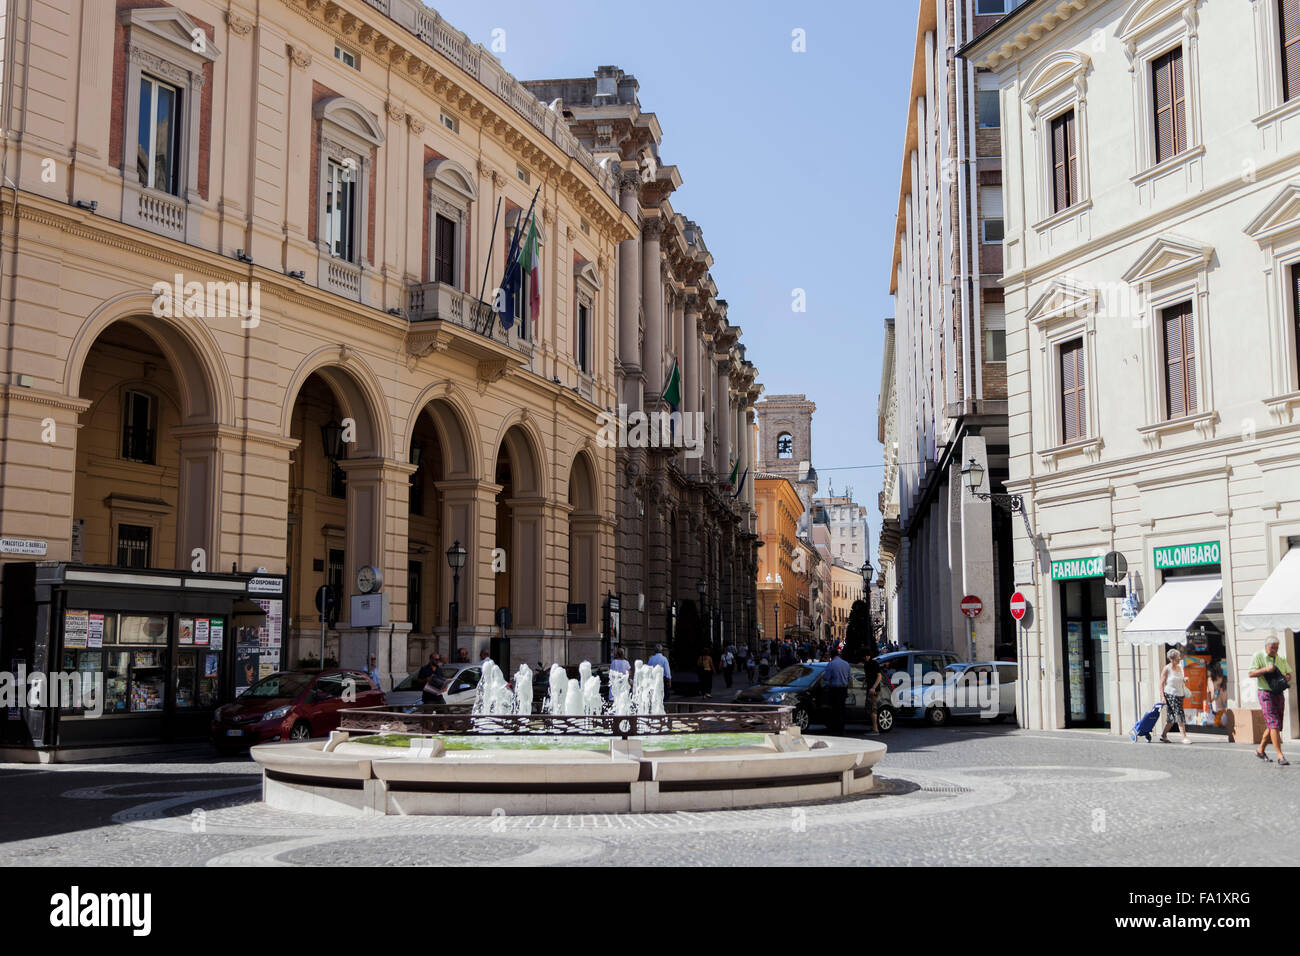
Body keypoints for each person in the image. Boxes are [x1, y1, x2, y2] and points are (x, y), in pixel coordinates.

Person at [1250, 637, 1293, 764]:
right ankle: (1280, 756)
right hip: (1265, 692)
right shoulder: (1258, 656)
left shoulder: (1281, 658)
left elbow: (1289, 673)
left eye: (1277, 647)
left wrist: (1286, 677)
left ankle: (1260, 750)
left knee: (1275, 724)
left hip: (1278, 693)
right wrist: (1265, 670)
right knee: (1273, 722)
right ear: (1266, 646)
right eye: (1272, 647)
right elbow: (1251, 673)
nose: (1275, 650)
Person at [1158, 648, 1191, 744]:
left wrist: (1184, 679)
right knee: (1179, 713)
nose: (1179, 659)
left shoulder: (1180, 667)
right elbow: (1161, 684)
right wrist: (1163, 697)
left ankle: (1163, 735)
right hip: (1171, 695)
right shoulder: (1167, 669)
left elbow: (1180, 679)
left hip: (1180, 694)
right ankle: (1184, 736)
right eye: (1177, 658)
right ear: (1171, 659)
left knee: (1171, 718)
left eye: (1179, 657)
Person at [824, 646, 851, 734]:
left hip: (834, 689)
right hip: (843, 689)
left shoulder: (831, 664)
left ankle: (835, 728)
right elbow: (850, 678)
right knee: (842, 708)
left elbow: (826, 678)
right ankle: (842, 728)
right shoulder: (846, 664)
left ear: (832, 655)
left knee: (835, 709)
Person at [863, 648, 883, 733]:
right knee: (870, 708)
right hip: (870, 688)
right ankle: (874, 728)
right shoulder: (866, 664)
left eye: (866, 656)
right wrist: (865, 681)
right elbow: (869, 676)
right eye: (864, 656)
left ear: (869, 655)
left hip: (874, 690)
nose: (865, 657)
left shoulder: (874, 663)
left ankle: (875, 730)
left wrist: (874, 687)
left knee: (873, 708)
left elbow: (879, 676)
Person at [1203, 662, 1229, 728]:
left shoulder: (1220, 689)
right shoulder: (1210, 684)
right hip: (1215, 713)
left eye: (1219, 685)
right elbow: (1210, 698)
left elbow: (1223, 701)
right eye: (1217, 685)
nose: (1218, 687)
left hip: (1219, 713)